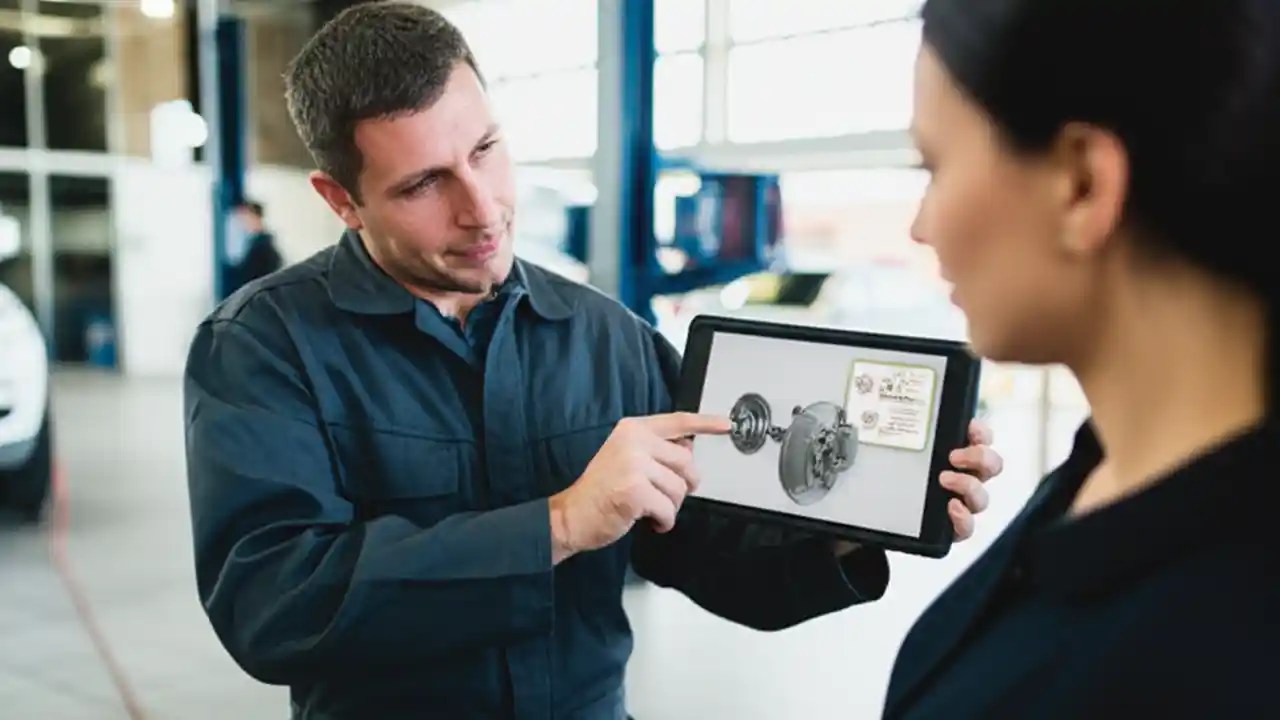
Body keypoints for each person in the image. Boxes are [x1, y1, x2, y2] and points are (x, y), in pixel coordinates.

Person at [181, 3, 1003, 719]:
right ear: (341, 199)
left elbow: (706, 550)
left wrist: (850, 522)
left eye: (487, 150)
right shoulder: (263, 347)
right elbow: (274, 605)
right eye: (423, 184)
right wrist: (559, 525)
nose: (482, 208)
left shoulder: (605, 334)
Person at [883, 0, 1280, 717]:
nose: (920, 225)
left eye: (935, 167)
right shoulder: (1101, 473)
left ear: (1082, 185)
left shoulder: (1212, 659)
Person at [225, 200, 283, 295]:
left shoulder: (263, 247)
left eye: (246, 217)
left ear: (255, 217)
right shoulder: (255, 243)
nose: (243, 222)